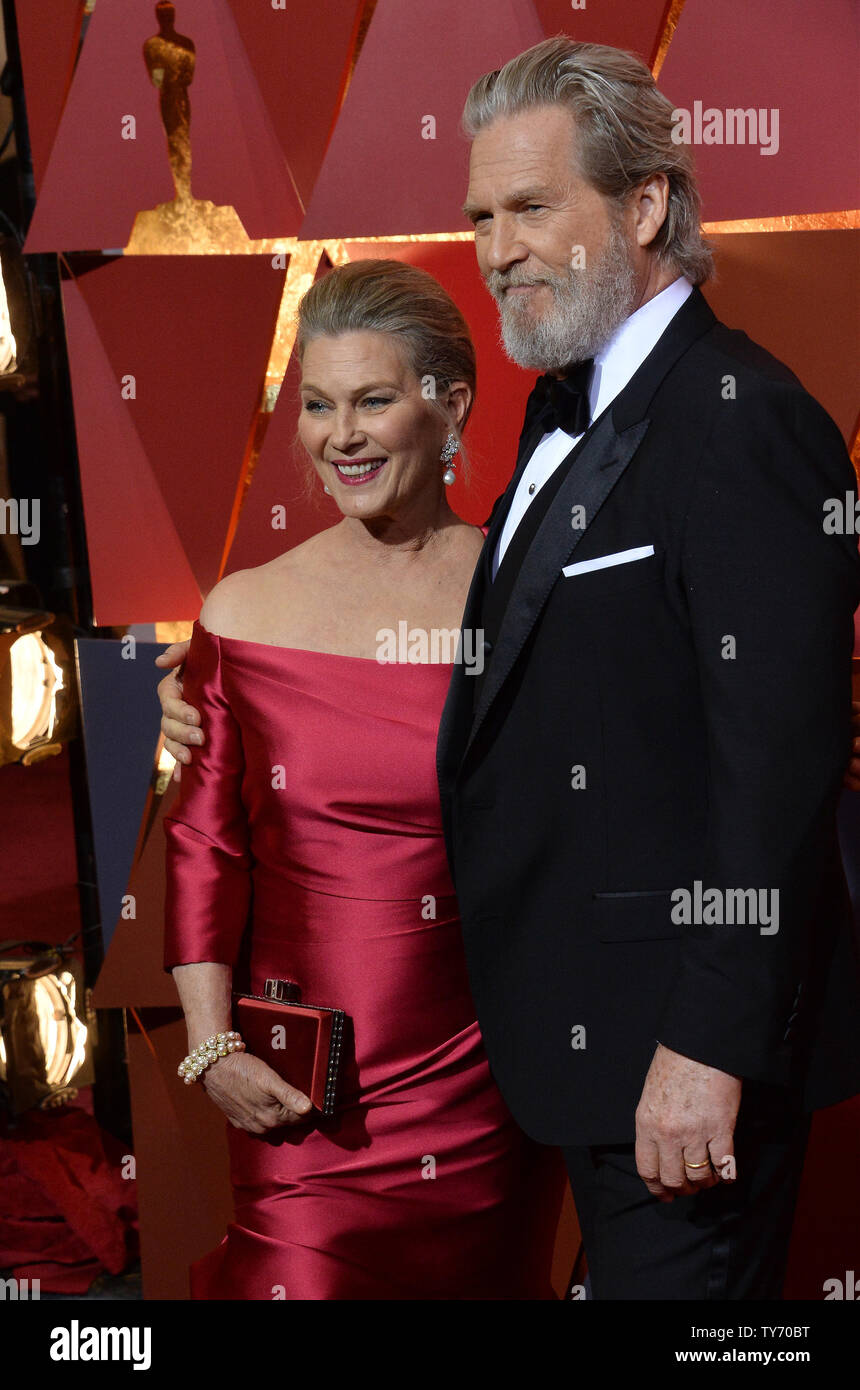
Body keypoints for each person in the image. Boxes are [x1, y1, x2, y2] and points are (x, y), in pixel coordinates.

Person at [160, 39, 860, 1301]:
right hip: (558, 1060)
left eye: (530, 207)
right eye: (480, 216)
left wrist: (704, 1048)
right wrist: (235, 699)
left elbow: (778, 775)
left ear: (644, 205)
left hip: (675, 1067)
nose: (494, 249)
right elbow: (532, 696)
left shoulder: (740, 418)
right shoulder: (564, 412)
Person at [159, 258, 565, 1301]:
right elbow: (203, 849)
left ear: (450, 404)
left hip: (489, 1087)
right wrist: (210, 1047)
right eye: (317, 405)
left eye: (373, 401)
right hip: (304, 1099)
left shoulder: (523, 597)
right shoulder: (241, 613)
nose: (340, 436)